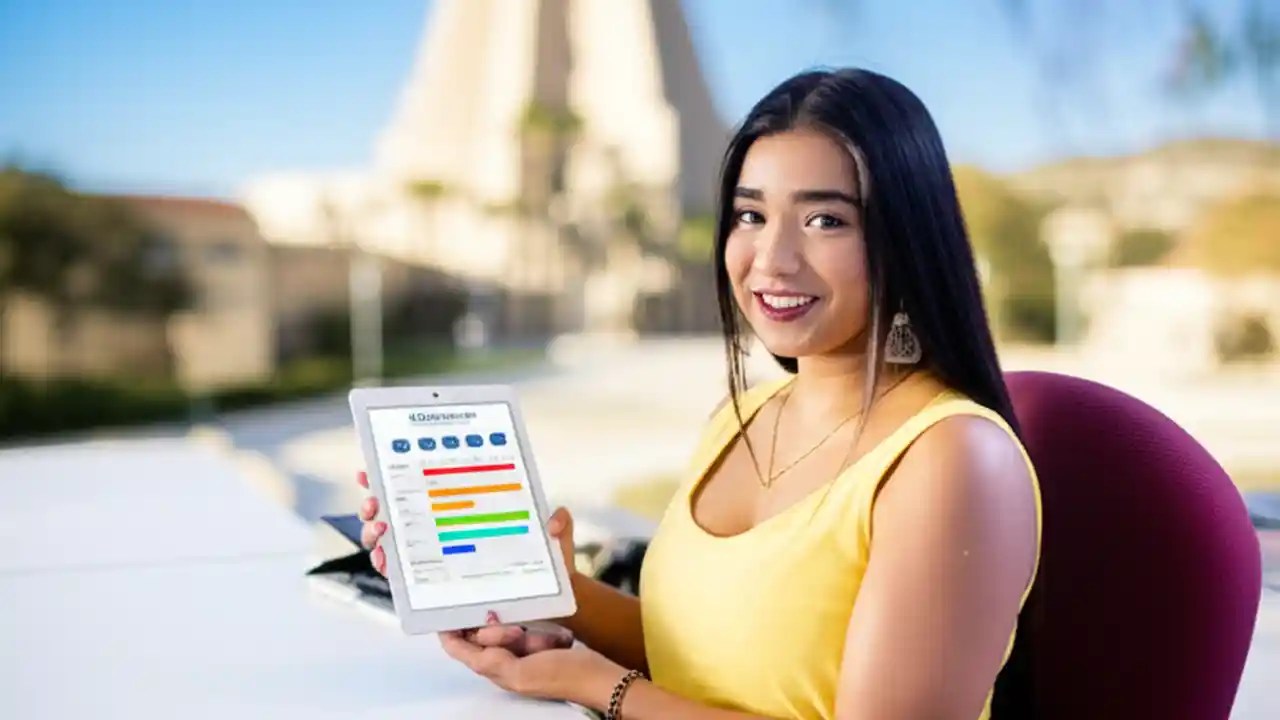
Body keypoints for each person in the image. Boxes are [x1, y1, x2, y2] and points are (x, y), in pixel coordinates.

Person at [357, 67, 1041, 720]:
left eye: (825, 220)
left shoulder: (954, 460)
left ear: (906, 240)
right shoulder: (740, 419)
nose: (771, 258)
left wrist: (603, 688)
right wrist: (551, 597)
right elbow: (707, 659)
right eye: (749, 216)